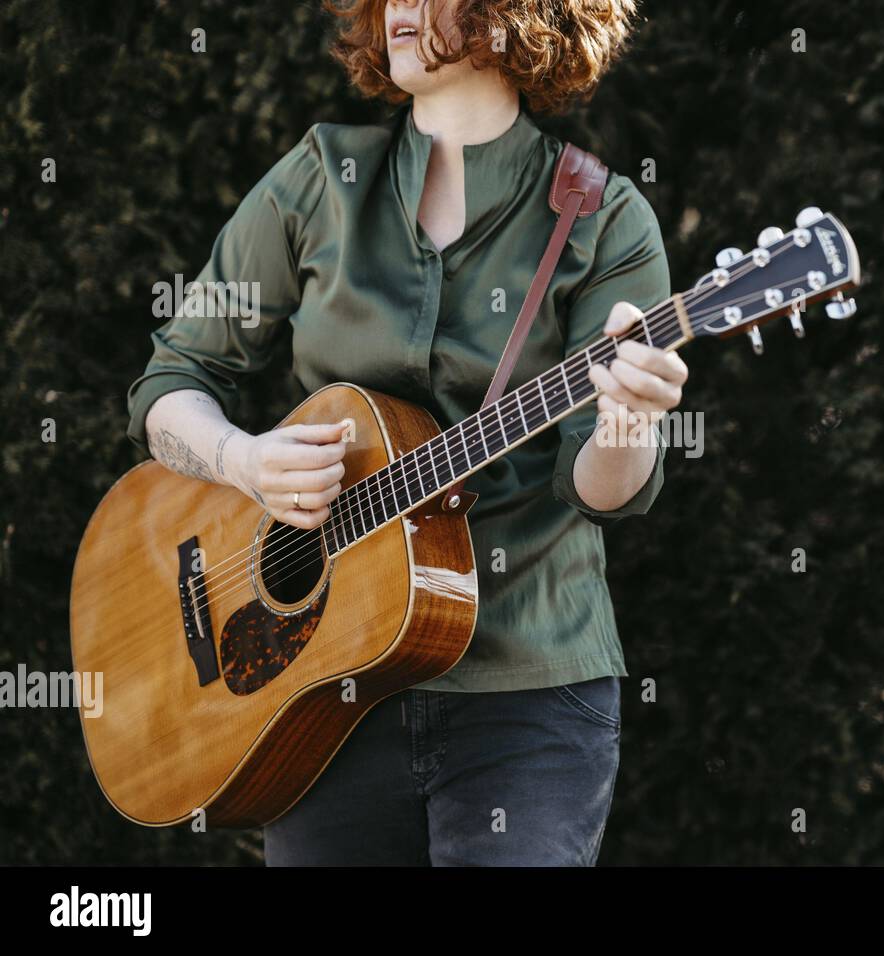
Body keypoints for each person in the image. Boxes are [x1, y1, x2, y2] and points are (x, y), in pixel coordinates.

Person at [125, 0, 686, 865]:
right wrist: (243, 462)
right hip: (325, 694)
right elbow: (172, 383)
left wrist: (626, 418)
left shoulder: (605, 220)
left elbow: (600, 489)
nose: (402, 6)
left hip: (527, 696)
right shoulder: (319, 181)